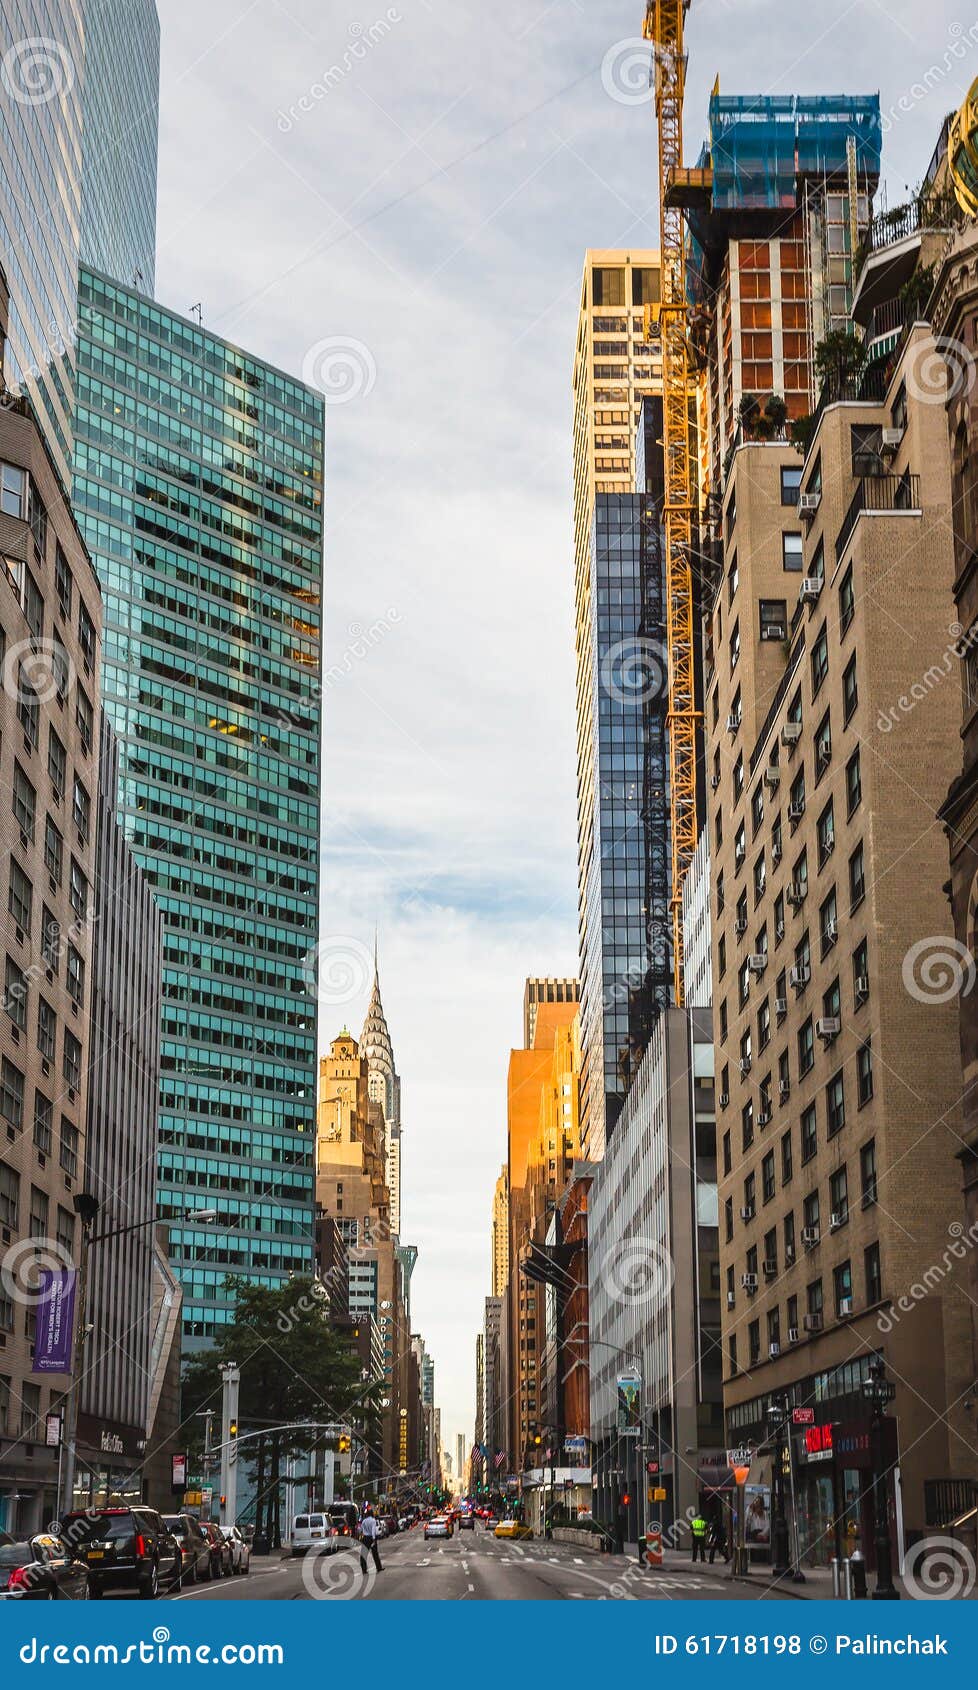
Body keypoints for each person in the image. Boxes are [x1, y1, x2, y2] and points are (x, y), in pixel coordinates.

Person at [359, 1505, 383, 1574]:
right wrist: (373, 1539)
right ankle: (379, 1568)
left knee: (363, 1555)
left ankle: (364, 1570)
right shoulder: (373, 1520)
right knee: (375, 1554)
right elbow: (373, 1530)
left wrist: (361, 1537)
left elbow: (361, 1530)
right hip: (371, 1538)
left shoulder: (364, 1521)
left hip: (365, 1538)